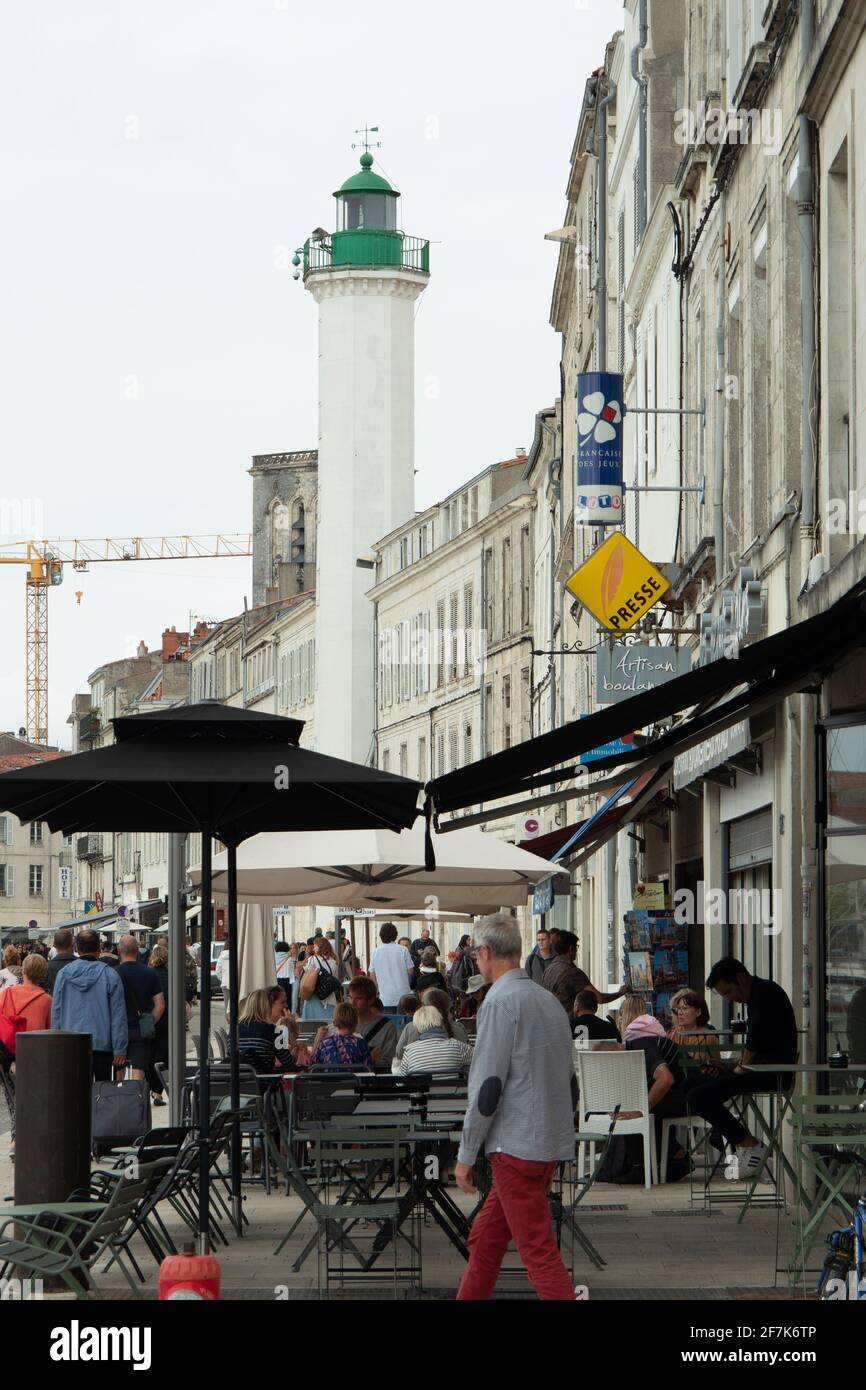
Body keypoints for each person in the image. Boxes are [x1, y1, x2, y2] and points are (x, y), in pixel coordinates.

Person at [455, 913, 578, 1301]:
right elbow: (569, 1079)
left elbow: (488, 1088)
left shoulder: (498, 1002)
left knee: (538, 1254)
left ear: (487, 952)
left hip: (515, 1145)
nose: (476, 961)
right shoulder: (549, 1002)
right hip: (547, 1142)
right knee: (487, 1240)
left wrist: (465, 1153)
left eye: (477, 954)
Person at [682, 957, 798, 1173]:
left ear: (741, 978)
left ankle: (749, 1144)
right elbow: (757, 1048)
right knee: (691, 1084)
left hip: (772, 1072)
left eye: (728, 992)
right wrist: (727, 1065)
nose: (730, 999)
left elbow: (754, 1041)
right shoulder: (756, 997)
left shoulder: (764, 992)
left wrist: (739, 1066)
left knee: (698, 1096)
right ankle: (724, 1133)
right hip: (759, 1067)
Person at [51, 929, 128, 1081]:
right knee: (101, 1095)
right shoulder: (110, 975)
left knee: (75, 1095)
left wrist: (56, 1044)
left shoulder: (64, 975)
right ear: (99, 950)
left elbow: (56, 1012)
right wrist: (120, 1048)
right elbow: (118, 1015)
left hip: (71, 1043)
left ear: (77, 949)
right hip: (102, 1044)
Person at [542, 930, 627, 1017]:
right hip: (567, 1024)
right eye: (576, 947)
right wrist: (620, 992)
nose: (576, 951)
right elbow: (599, 998)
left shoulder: (548, 969)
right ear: (571, 949)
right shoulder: (573, 972)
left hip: (550, 1021)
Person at [117, 934, 164, 1083]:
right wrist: (148, 1022)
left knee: (118, 1068)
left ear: (119, 951)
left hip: (118, 1029)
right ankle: (136, 1102)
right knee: (138, 1070)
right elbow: (160, 1005)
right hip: (140, 1029)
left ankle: (118, 1100)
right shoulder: (150, 973)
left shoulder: (113, 973)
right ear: (137, 951)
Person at [393, 1004, 473, 1075]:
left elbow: (401, 1082)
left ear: (417, 1028)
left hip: (421, 1091)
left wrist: (395, 1068)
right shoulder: (459, 1046)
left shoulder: (410, 1051)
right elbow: (477, 1060)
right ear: (441, 1022)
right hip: (451, 1091)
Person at [395, 987, 468, 1060]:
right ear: (449, 1005)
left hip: (416, 1070)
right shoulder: (459, 1028)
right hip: (456, 1071)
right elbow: (469, 1058)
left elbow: (399, 1055)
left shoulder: (410, 1028)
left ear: (425, 1007)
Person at [235, 988, 296, 1072]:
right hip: (261, 1081)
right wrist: (294, 1049)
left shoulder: (234, 1030)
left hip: (235, 1081)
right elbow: (289, 1064)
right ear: (267, 1007)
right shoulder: (273, 1030)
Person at [346, 977, 399, 1070]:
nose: (352, 1003)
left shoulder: (387, 1027)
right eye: (350, 997)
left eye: (358, 998)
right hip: (349, 1082)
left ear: (371, 1000)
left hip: (375, 1081)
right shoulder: (343, 1024)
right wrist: (369, 1059)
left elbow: (388, 1063)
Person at [310, 1002, 374, 1069]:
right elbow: (369, 1068)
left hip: (330, 1079)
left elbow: (313, 1066)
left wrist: (317, 1040)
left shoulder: (325, 1044)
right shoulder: (361, 1043)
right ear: (356, 1022)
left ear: (334, 1023)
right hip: (354, 1079)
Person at [0, 953, 52, 1032]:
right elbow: (49, 1030)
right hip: (35, 1043)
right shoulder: (47, 1000)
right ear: (43, 974)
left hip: (8, 1042)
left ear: (23, 970)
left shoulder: (6, 993)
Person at [668, 989, 722, 1067]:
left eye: (685, 1008)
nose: (679, 1013)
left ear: (698, 1012)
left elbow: (715, 1066)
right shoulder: (675, 1033)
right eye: (678, 1008)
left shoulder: (709, 1037)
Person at [367, 922, 414, 1009]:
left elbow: (372, 974)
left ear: (381, 935)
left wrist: (377, 991)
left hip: (385, 997)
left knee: (389, 1022)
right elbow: (410, 971)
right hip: (404, 995)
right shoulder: (403, 950)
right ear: (395, 935)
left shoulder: (375, 952)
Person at [147, 941, 170, 1107]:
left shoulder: (148, 975)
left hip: (151, 1018)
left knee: (150, 1053)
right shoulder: (171, 975)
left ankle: (149, 1086)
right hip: (168, 1019)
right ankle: (157, 1091)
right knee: (163, 1056)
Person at [298, 936, 342, 1020]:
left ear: (319, 946)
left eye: (315, 946)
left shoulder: (313, 959)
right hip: (329, 997)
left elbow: (309, 977)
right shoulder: (334, 960)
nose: (313, 948)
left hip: (314, 997)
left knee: (311, 1026)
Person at [45, 928, 76, 993]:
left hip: (55, 1001)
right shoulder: (81, 964)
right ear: (72, 944)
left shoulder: (48, 966)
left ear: (55, 945)